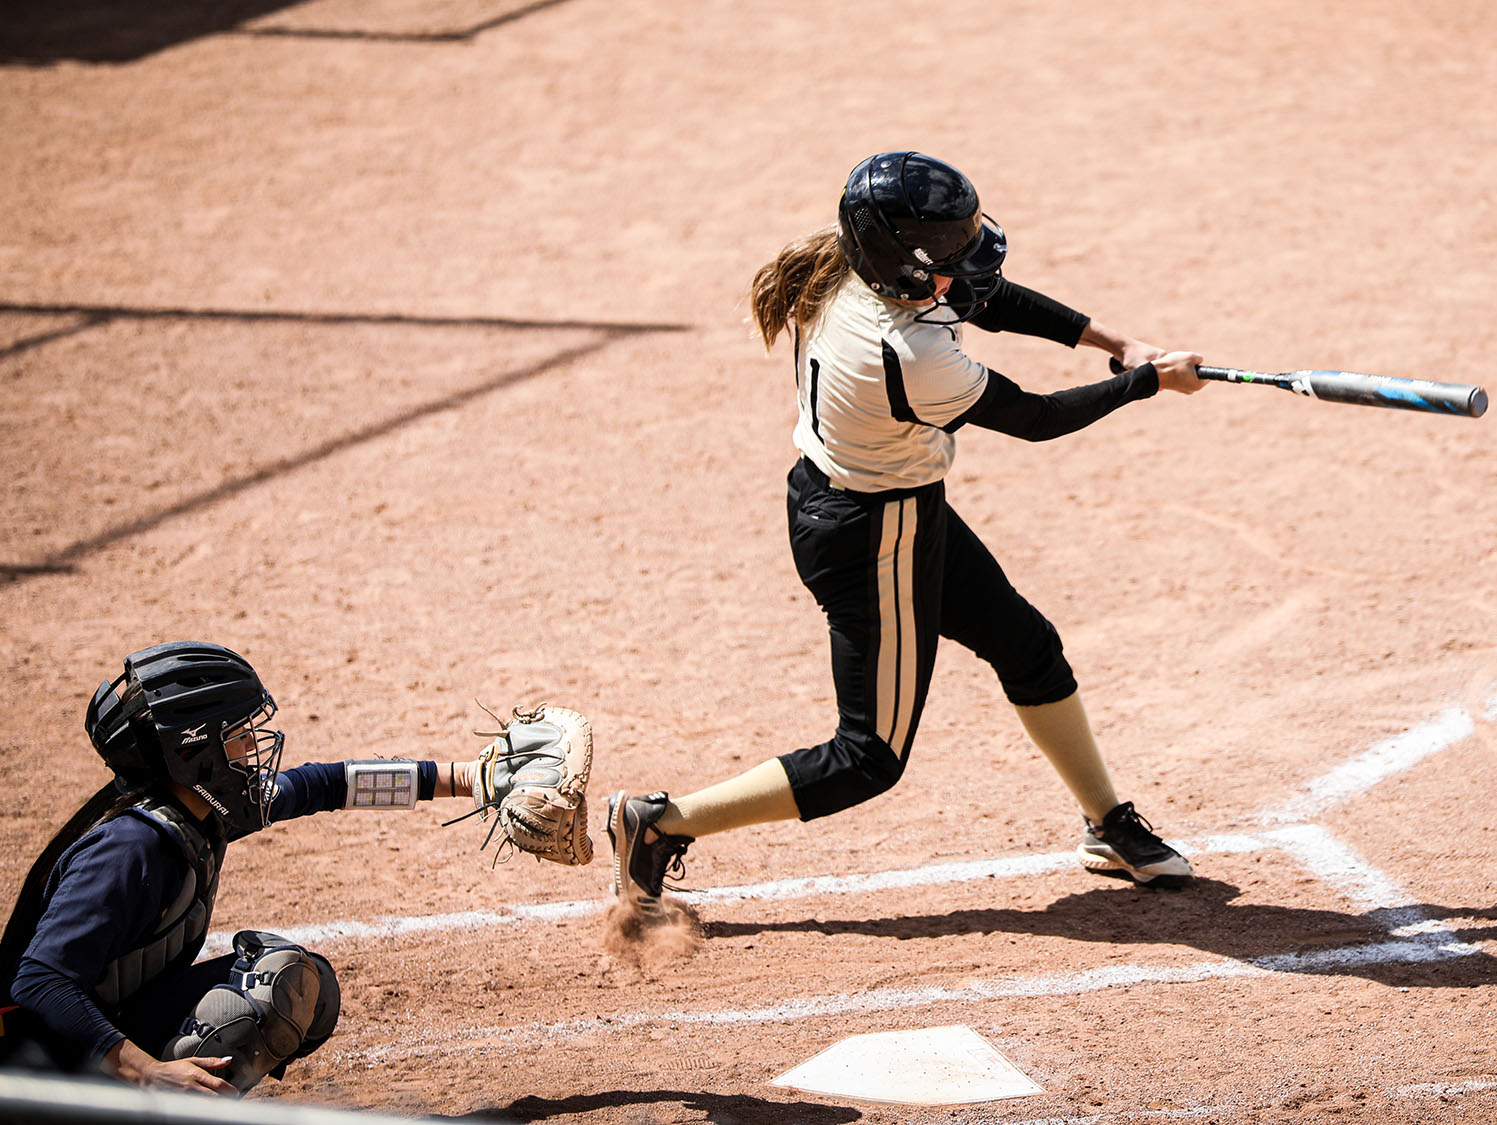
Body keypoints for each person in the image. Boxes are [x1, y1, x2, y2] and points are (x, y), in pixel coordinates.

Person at [605, 151, 1207, 906]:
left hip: (890, 505)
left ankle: (1106, 822)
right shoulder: (907, 353)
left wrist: (1113, 341)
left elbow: (986, 297)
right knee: (869, 756)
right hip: (870, 535)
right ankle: (660, 823)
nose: (965, 263)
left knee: (1027, 645)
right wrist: (1145, 383)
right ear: (906, 262)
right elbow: (1035, 418)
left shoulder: (851, 259)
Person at [0, 641, 513, 1095]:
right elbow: (40, 983)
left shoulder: (196, 808)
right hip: (38, 1072)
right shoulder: (130, 848)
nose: (253, 745)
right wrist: (147, 1071)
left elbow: (325, 785)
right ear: (194, 753)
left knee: (302, 983)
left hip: (99, 1030)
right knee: (268, 986)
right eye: (237, 734)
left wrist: (472, 777)